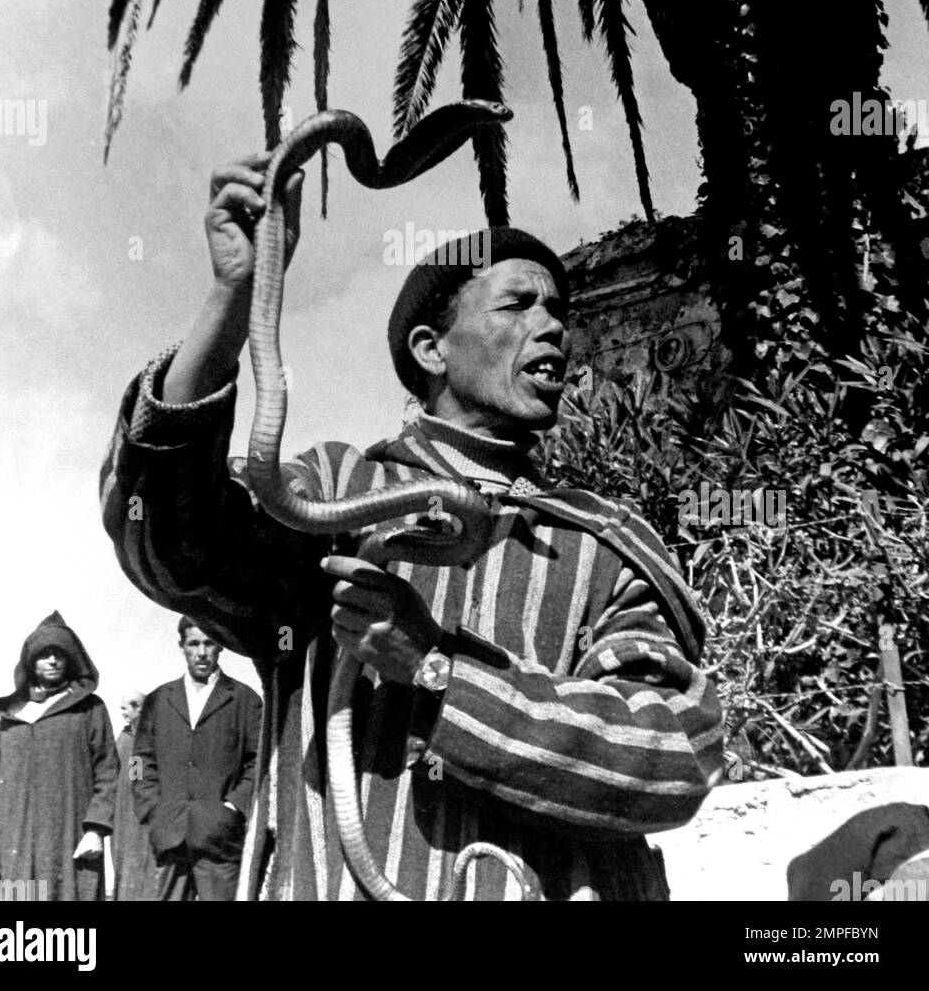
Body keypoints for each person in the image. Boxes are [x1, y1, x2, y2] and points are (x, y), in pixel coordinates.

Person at [101, 155, 723, 901]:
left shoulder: (603, 545)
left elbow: (670, 756)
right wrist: (234, 296)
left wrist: (437, 670)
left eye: (558, 310)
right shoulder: (335, 493)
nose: (552, 325)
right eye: (517, 305)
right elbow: (174, 546)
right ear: (432, 349)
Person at [0, 611, 118, 901]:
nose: (52, 660)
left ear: (71, 659)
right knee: (23, 930)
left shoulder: (88, 709)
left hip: (72, 843)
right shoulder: (11, 719)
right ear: (30, 663)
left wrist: (96, 829)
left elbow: (108, 771)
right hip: (19, 849)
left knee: (74, 934)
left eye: (59, 654)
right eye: (44, 654)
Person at [130, 617, 261, 901]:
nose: (202, 652)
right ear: (182, 646)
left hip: (219, 837)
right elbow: (138, 762)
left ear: (220, 647)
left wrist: (233, 808)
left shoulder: (244, 699)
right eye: (194, 644)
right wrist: (151, 808)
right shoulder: (159, 699)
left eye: (209, 643)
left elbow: (259, 763)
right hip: (169, 833)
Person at [110, 692, 156, 901]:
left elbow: (136, 774)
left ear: (139, 708)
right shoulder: (125, 735)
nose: (122, 714)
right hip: (120, 809)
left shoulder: (146, 737)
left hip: (136, 810)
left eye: (125, 709)